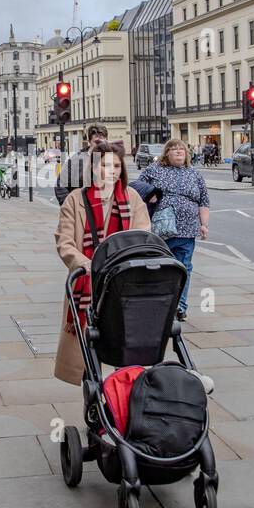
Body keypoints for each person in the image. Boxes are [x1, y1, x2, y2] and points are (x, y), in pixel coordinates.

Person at [53, 142, 150, 384]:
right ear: (95, 168)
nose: (113, 170)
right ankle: (93, 394)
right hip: (88, 282)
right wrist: (84, 263)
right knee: (88, 346)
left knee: (123, 343)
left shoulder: (132, 198)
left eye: (117, 165)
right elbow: (64, 241)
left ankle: (124, 393)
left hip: (122, 283)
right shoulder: (76, 199)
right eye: (107, 165)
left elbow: (142, 236)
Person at [137, 138, 210, 320]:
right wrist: (150, 193)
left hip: (187, 230)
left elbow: (204, 201)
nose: (179, 152)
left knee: (184, 268)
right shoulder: (155, 170)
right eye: (174, 149)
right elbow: (136, 188)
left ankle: (180, 306)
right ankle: (161, 304)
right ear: (166, 153)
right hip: (162, 231)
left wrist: (203, 224)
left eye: (182, 150)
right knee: (161, 268)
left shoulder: (194, 173)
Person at [55, 124, 109, 205]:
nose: (100, 145)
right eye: (96, 142)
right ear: (89, 141)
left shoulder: (113, 159)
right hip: (82, 209)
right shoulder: (75, 160)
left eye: (102, 141)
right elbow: (60, 185)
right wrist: (71, 206)